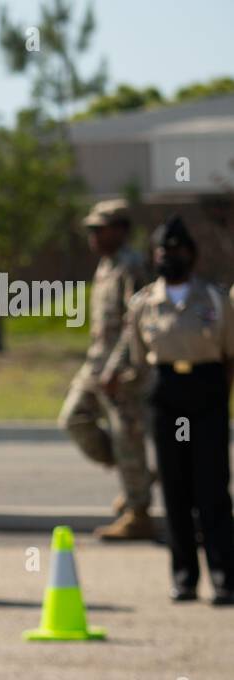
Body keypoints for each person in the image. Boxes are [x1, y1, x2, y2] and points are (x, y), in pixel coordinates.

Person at [102, 215, 234, 604]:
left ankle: (226, 577)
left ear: (191, 255)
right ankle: (184, 578)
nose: (168, 256)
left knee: (212, 490)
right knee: (176, 491)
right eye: (162, 250)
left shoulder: (213, 298)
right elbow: (140, 359)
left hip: (206, 395)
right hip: (167, 398)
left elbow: (230, 355)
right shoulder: (144, 303)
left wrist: (215, 397)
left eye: (176, 249)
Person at [59, 199, 153, 540]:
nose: (93, 236)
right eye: (91, 230)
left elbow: (136, 324)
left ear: (121, 230)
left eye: (100, 229)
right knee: (74, 419)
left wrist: (116, 368)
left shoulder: (133, 267)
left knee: (127, 437)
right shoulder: (106, 266)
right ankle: (138, 477)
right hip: (95, 366)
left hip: (122, 372)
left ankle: (138, 513)